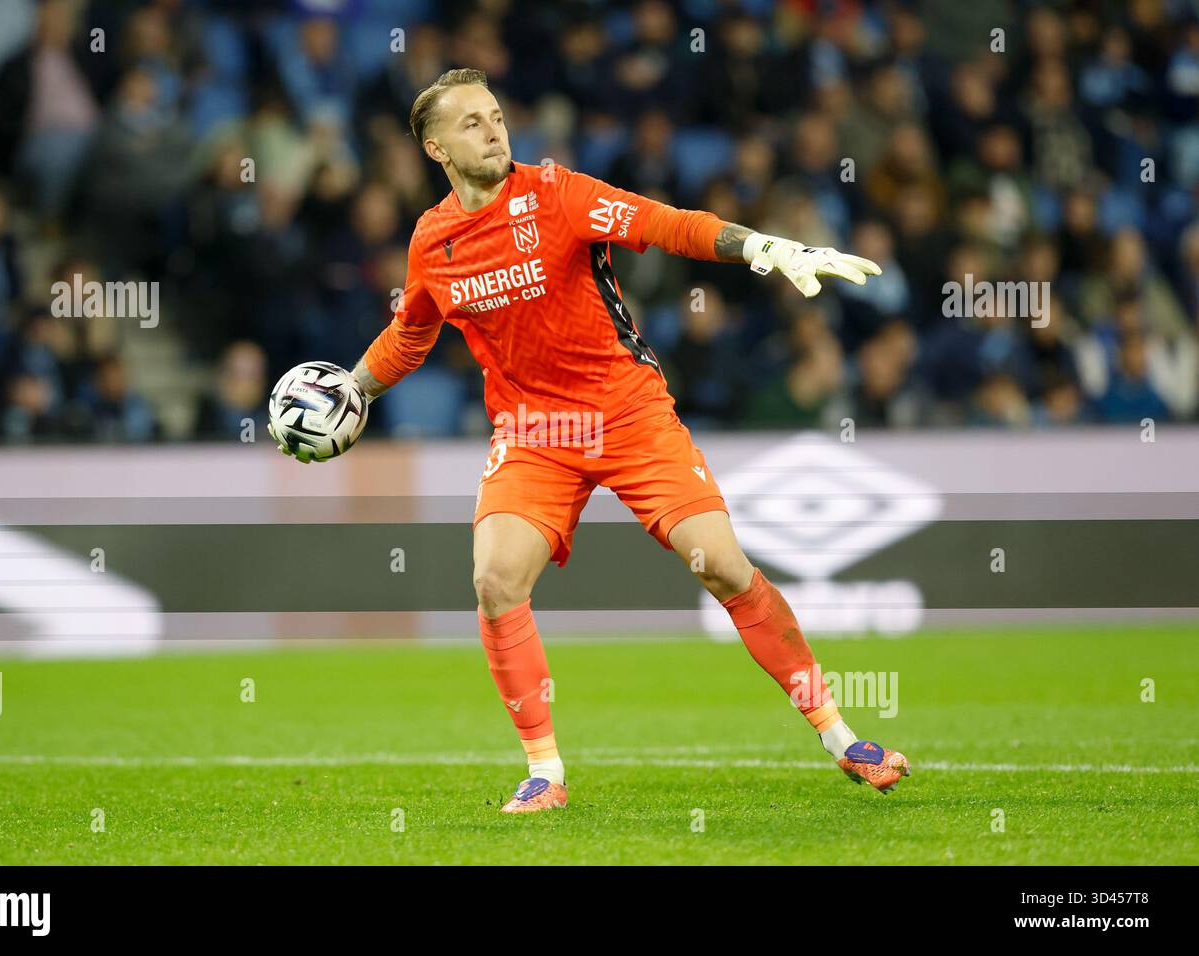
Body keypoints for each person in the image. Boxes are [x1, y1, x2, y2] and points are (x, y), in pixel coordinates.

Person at [282, 69, 908, 812]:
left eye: (496, 115)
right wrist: (348, 391)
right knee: (494, 581)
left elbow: (667, 224)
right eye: (473, 122)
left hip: (627, 412)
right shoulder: (433, 241)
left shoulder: (558, 194)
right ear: (435, 146)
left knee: (726, 570)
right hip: (535, 431)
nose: (493, 130)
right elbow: (410, 337)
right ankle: (544, 772)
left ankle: (841, 737)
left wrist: (764, 248)